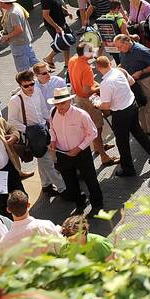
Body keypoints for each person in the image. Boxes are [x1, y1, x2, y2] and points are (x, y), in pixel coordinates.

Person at [94, 54, 150, 177]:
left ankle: (128, 168)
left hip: (120, 114)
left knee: (122, 142)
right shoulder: (120, 71)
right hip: (132, 106)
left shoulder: (105, 83)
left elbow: (106, 106)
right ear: (109, 64)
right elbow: (131, 82)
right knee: (139, 132)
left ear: (98, 68)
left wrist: (96, 103)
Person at [47, 87, 105, 216]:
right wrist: (53, 140)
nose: (59, 106)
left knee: (91, 180)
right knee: (70, 183)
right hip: (63, 154)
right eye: (57, 103)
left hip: (82, 154)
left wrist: (79, 148)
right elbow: (52, 129)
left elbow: (93, 133)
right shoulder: (52, 113)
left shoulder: (81, 114)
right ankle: (80, 203)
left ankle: (97, 205)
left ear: (69, 101)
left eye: (62, 103)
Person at [1, 190, 64, 258]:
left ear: (8, 210)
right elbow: (60, 247)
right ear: (28, 205)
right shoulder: (46, 225)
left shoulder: (4, 241)